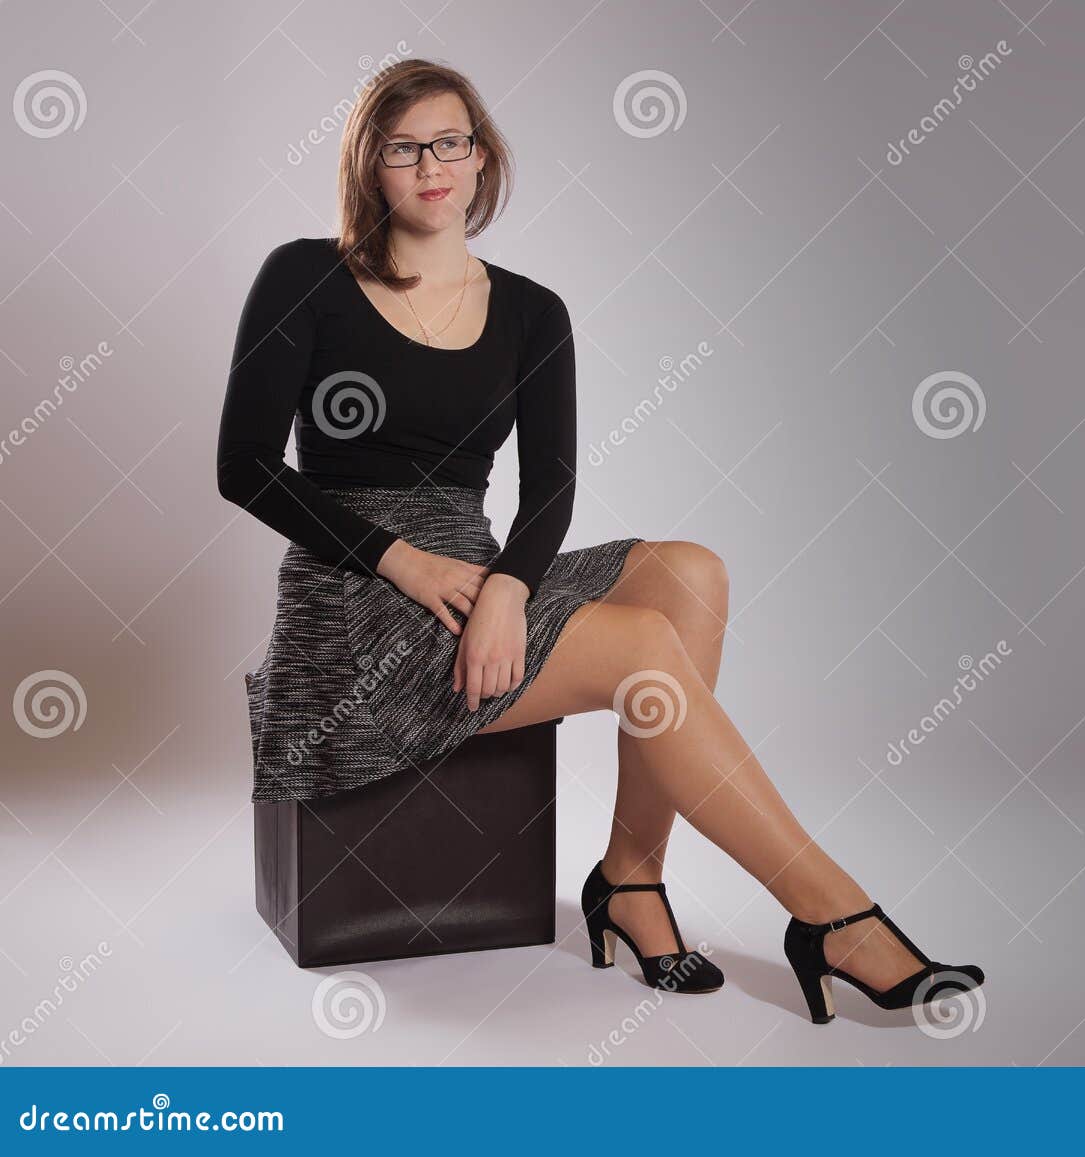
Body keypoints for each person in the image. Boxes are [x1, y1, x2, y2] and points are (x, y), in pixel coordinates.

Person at [216, 58, 982, 1023]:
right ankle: (832, 913)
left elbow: (551, 488)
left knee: (690, 576)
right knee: (641, 647)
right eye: (403, 149)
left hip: (477, 577)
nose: (431, 166)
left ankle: (630, 875)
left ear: (482, 155)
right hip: (357, 602)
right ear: (372, 167)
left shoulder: (531, 310)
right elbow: (244, 466)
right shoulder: (306, 275)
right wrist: (406, 561)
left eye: (449, 142)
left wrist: (507, 589)